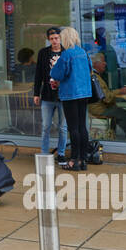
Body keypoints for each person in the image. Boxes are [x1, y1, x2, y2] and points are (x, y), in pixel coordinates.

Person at [49, 27, 93, 171]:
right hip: (85, 93)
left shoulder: (67, 55)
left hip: (70, 94)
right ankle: (83, 160)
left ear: (65, 39)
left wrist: (55, 66)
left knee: (73, 128)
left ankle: (74, 160)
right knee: (82, 127)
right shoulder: (84, 53)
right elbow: (90, 69)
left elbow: (56, 74)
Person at [32, 27, 69, 161]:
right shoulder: (43, 53)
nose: (55, 41)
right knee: (46, 126)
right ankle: (44, 153)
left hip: (64, 96)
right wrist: (36, 93)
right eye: (52, 38)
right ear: (48, 39)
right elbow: (38, 74)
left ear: (61, 38)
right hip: (47, 96)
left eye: (57, 38)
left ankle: (61, 153)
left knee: (63, 127)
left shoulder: (66, 52)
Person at [88, 52, 126, 140]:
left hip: (100, 107)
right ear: (95, 64)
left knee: (125, 113)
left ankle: (114, 136)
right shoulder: (95, 77)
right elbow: (106, 98)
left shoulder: (95, 76)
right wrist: (120, 91)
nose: (105, 63)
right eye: (103, 61)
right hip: (100, 109)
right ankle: (119, 140)